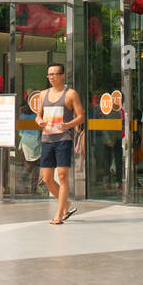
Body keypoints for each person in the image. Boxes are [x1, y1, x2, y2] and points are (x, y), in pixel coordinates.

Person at [38, 63, 85, 225]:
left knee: (63, 176)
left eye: (55, 74)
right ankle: (66, 204)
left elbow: (81, 117)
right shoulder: (43, 94)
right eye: (49, 75)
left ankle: (59, 214)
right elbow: (39, 115)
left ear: (62, 75)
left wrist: (67, 125)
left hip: (63, 139)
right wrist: (39, 121)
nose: (52, 77)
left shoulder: (71, 94)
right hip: (46, 139)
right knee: (47, 179)